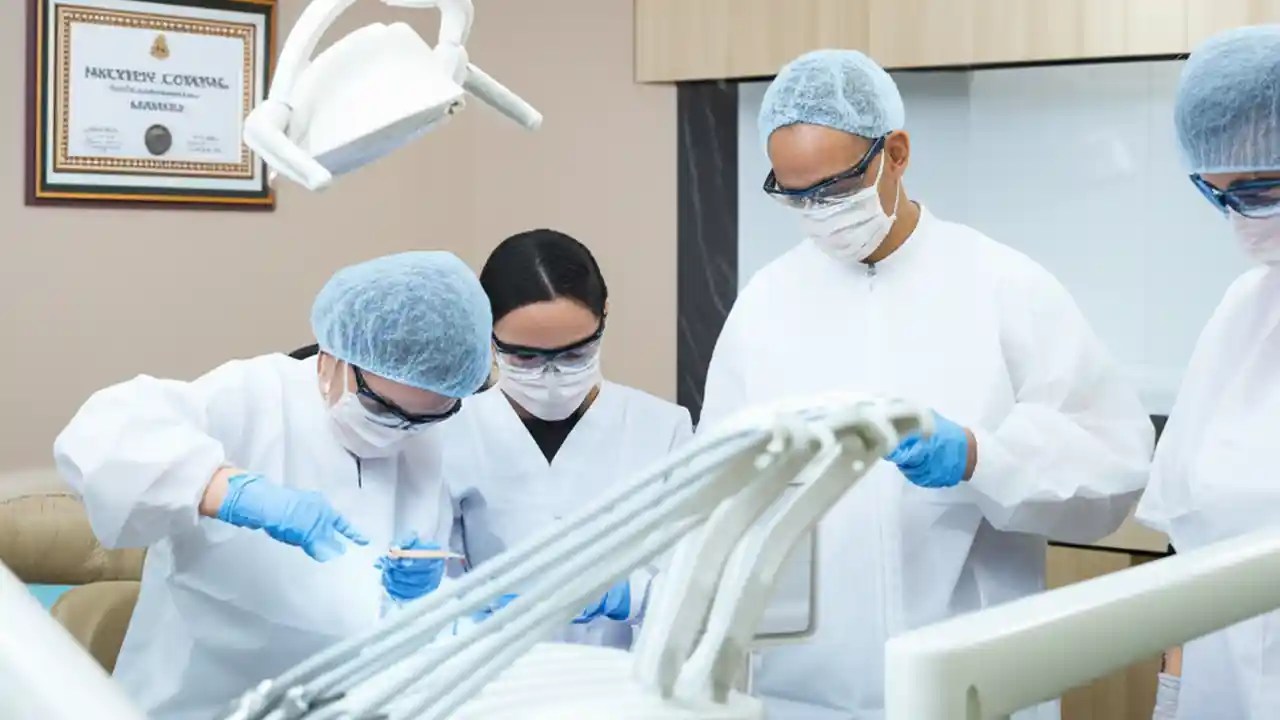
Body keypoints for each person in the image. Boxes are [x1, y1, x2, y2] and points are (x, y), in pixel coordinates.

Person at [699, 49, 1155, 719]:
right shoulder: (766, 305)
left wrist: (980, 456)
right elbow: (719, 488)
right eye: (795, 195)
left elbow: (1113, 468)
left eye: (835, 186)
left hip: (974, 691)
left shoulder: (1003, 286)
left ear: (897, 153)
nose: (818, 210)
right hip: (802, 695)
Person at [52, 251, 493, 720]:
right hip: (203, 703)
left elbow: (375, 600)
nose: (400, 430)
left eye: (427, 417)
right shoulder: (254, 395)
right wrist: (227, 491)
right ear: (332, 359)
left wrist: (425, 591)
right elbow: (103, 437)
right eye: (383, 409)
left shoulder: (429, 443)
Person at [442, 229, 692, 648]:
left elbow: (700, 574)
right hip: (494, 684)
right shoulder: (451, 432)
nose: (551, 375)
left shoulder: (662, 428)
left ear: (604, 315)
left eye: (575, 354)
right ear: (485, 330)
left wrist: (634, 595)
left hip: (623, 689)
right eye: (525, 356)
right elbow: (433, 578)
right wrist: (462, 611)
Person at [1136, 25, 1280, 720]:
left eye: (1258, 188)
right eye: (1219, 195)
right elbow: (1185, 541)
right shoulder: (1242, 312)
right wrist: (1172, 695)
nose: (1240, 219)